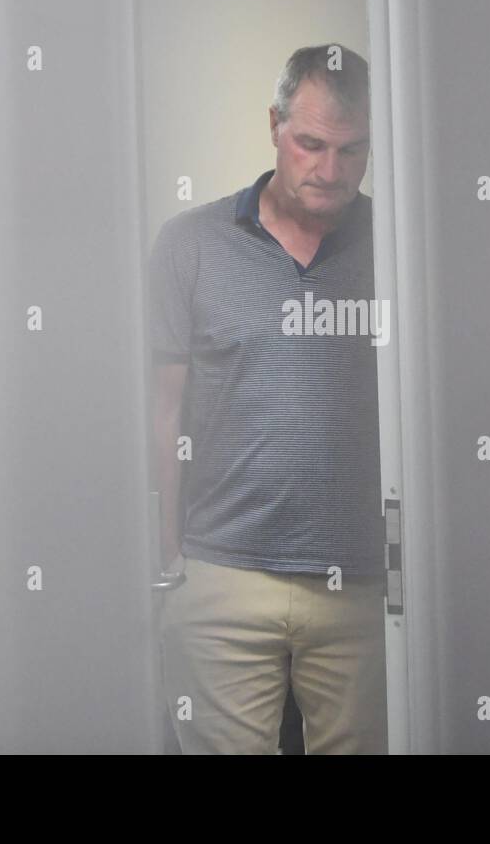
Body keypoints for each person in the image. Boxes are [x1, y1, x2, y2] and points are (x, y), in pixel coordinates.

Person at [146, 44, 387, 754]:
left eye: (352, 151)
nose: (330, 170)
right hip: (223, 573)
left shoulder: (400, 244)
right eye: (311, 144)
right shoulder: (191, 245)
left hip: (365, 581)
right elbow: (159, 412)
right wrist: (169, 558)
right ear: (274, 125)